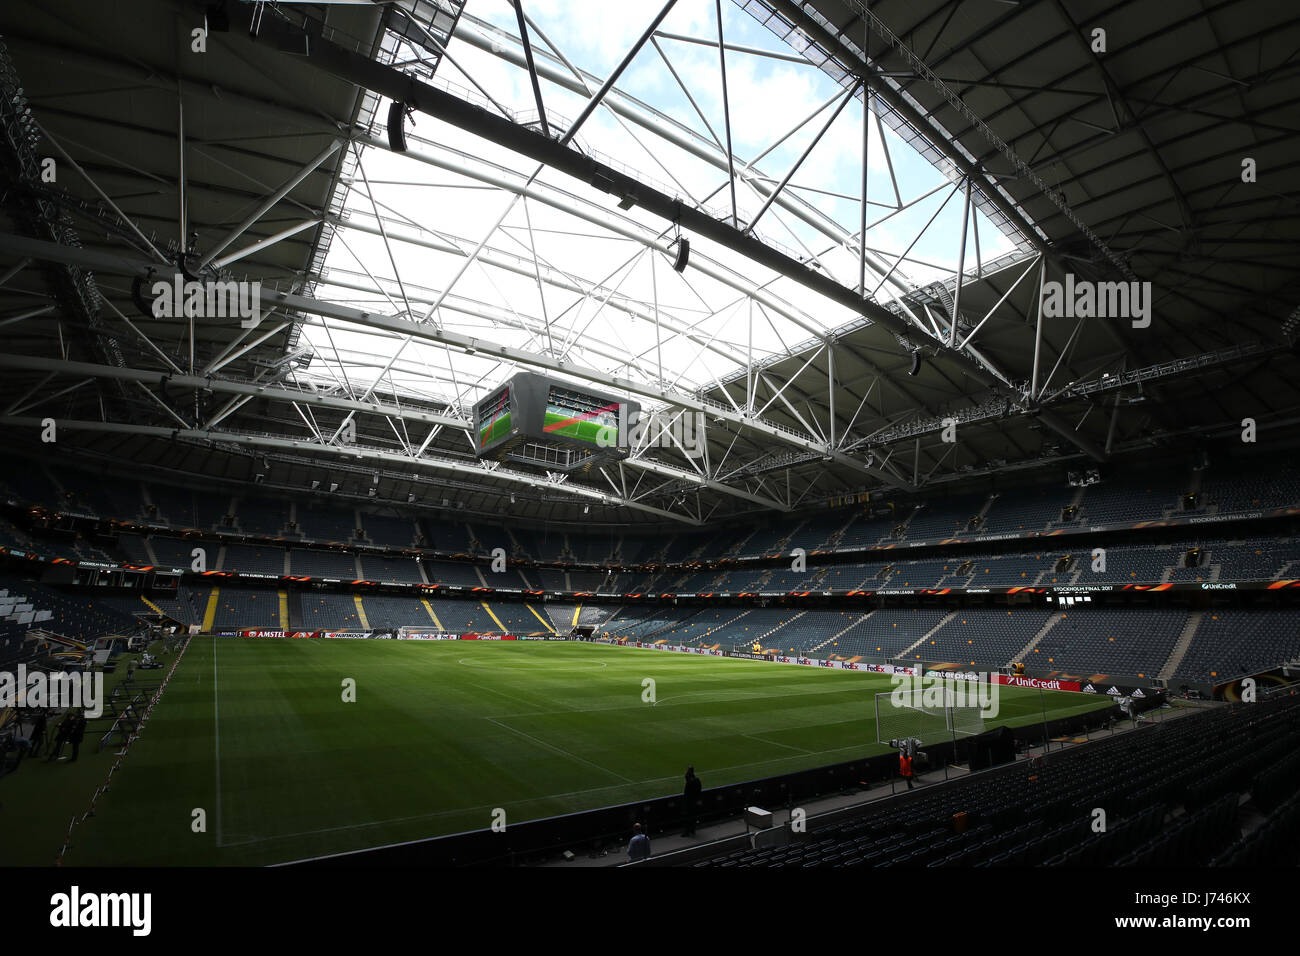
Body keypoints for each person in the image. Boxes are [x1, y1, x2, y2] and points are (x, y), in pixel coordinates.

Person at [682, 766, 702, 836]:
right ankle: (692, 830)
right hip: (694, 801)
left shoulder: (690, 780)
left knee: (688, 816)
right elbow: (699, 789)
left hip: (689, 801)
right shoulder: (696, 780)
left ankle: (687, 832)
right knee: (693, 816)